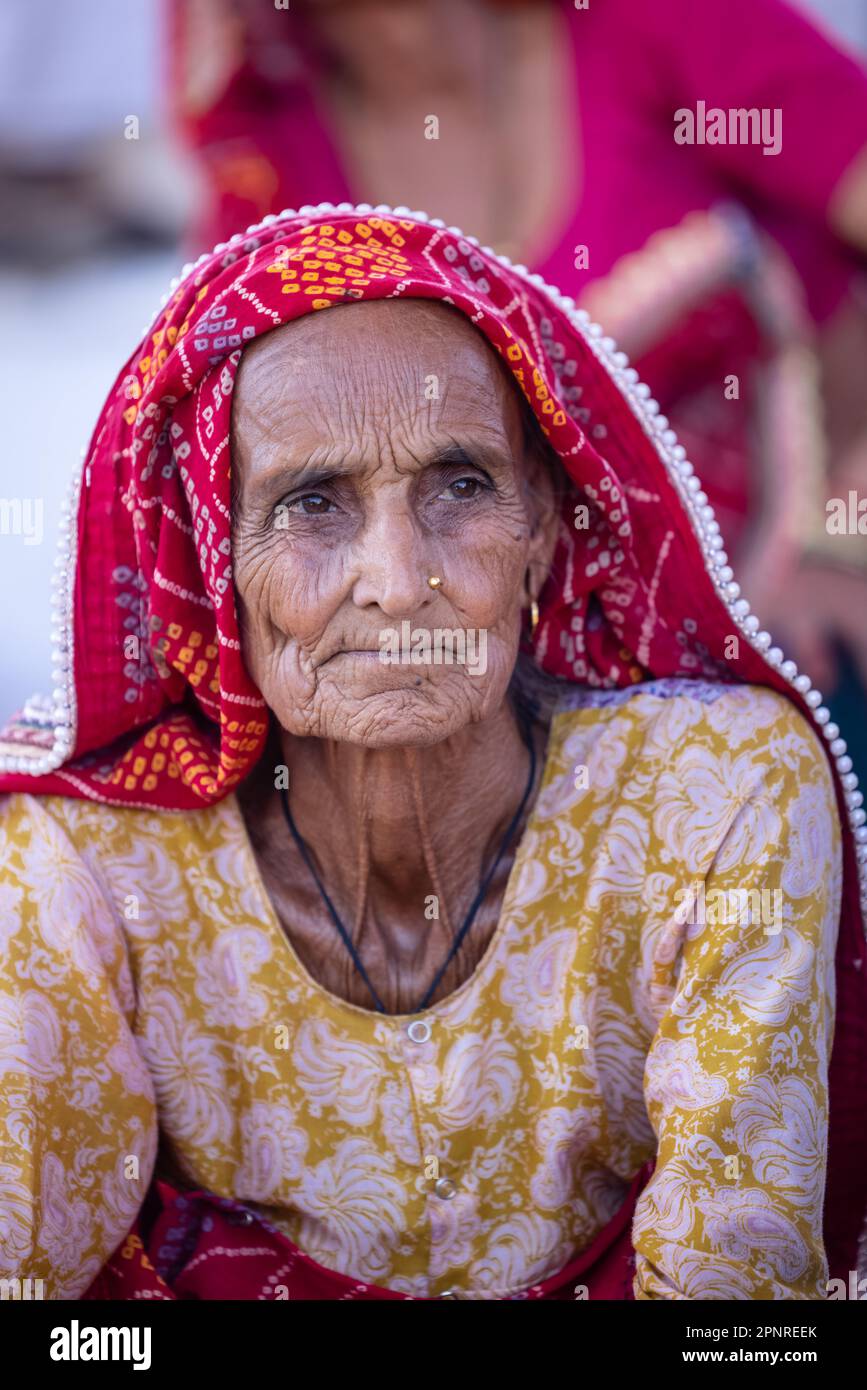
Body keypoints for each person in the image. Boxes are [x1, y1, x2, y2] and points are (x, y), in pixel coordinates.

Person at [0, 207, 863, 1301]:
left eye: (461, 487)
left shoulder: (715, 795)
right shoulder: (86, 862)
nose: (401, 582)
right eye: (313, 504)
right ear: (215, 558)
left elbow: (740, 1305)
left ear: (543, 527)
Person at [169, 0, 867, 766]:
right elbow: (251, 482)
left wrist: (835, 535)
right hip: (515, 688)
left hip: (799, 600)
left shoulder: (658, 21)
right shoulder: (273, 159)